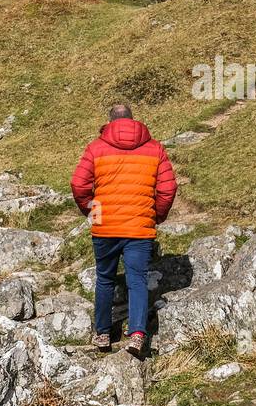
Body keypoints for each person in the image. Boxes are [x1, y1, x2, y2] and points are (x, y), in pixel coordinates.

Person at [70, 103, 177, 356]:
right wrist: (156, 215)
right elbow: (168, 188)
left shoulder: (96, 148)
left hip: (105, 225)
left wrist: (91, 210)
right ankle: (138, 334)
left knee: (105, 279)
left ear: (110, 122)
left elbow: (78, 183)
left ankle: (103, 333)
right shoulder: (154, 149)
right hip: (139, 226)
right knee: (137, 280)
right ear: (133, 121)